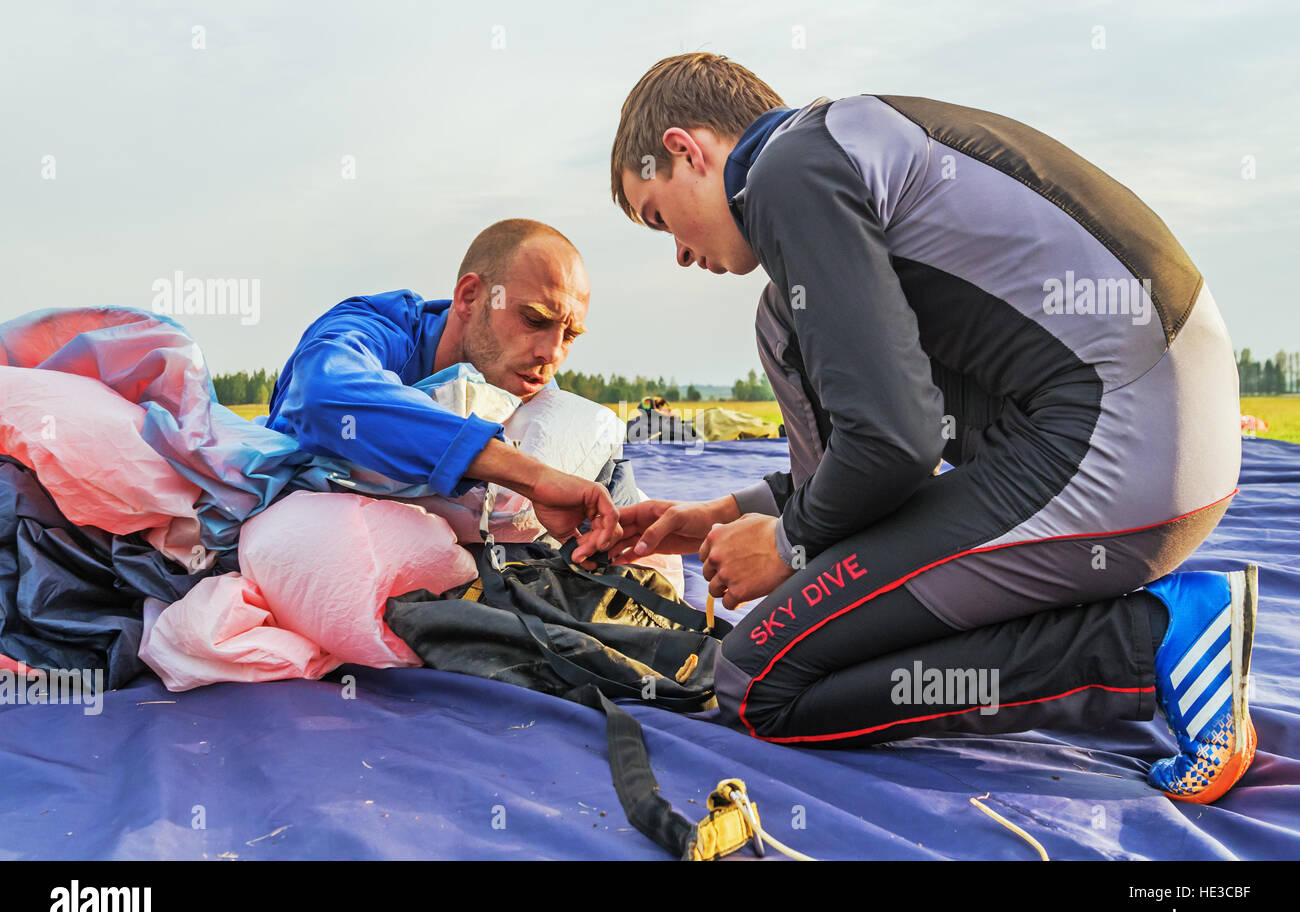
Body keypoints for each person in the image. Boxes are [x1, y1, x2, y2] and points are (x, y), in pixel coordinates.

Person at [607, 53, 1256, 803]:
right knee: (784, 320)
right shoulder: (842, 148)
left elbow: (896, 442)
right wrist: (724, 516)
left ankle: (1148, 644)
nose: (681, 255)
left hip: (1124, 440)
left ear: (687, 150)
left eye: (659, 218)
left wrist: (789, 545)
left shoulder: (787, 170)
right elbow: (870, 440)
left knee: (757, 682)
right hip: (1141, 424)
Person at [266, 218, 620, 558]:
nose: (552, 353)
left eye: (570, 335)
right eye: (534, 319)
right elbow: (322, 396)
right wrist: (531, 477)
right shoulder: (374, 329)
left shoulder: (537, 391)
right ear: (468, 297)